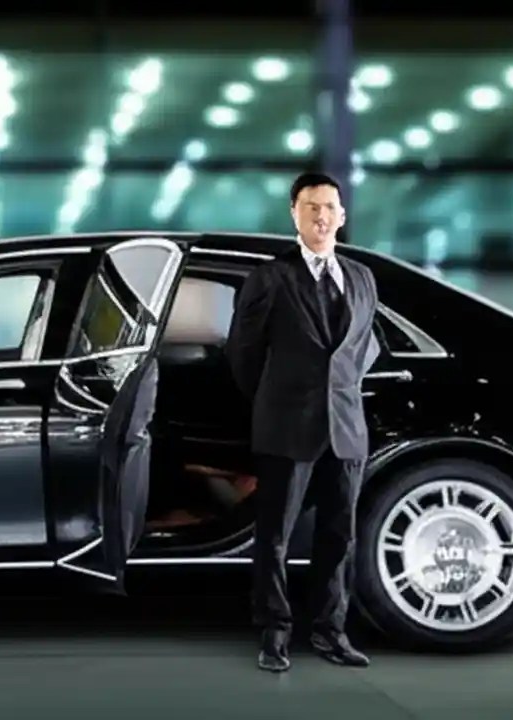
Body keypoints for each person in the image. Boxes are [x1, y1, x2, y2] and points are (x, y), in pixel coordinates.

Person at [225, 171, 380, 672]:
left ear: (342, 215)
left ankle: (331, 633)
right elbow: (243, 353)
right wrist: (275, 398)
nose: (320, 215)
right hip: (286, 424)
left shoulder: (360, 277)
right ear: (294, 213)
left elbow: (363, 347)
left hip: (346, 427)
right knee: (275, 536)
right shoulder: (270, 277)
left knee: (340, 537)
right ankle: (274, 633)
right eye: (310, 206)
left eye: (328, 206)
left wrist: (342, 391)